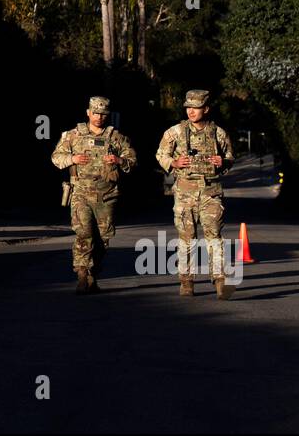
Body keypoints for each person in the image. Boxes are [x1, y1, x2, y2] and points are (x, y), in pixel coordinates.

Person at [51, 96, 137, 294]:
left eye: (103, 114)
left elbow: (132, 160)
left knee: (102, 239)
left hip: (106, 195)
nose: (99, 117)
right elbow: (56, 157)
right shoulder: (72, 135)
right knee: (84, 234)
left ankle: (92, 274)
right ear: (88, 112)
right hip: (80, 192)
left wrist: (118, 160)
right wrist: (72, 158)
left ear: (108, 115)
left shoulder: (116, 137)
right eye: (95, 113)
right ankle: (82, 273)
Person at [156, 89, 235, 299]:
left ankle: (219, 281)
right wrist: (173, 162)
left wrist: (223, 162)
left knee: (214, 237)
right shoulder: (175, 132)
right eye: (188, 107)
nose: (191, 111)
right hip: (184, 193)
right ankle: (187, 281)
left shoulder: (219, 133)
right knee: (186, 239)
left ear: (206, 109)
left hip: (211, 193)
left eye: (196, 107)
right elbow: (160, 153)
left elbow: (229, 156)